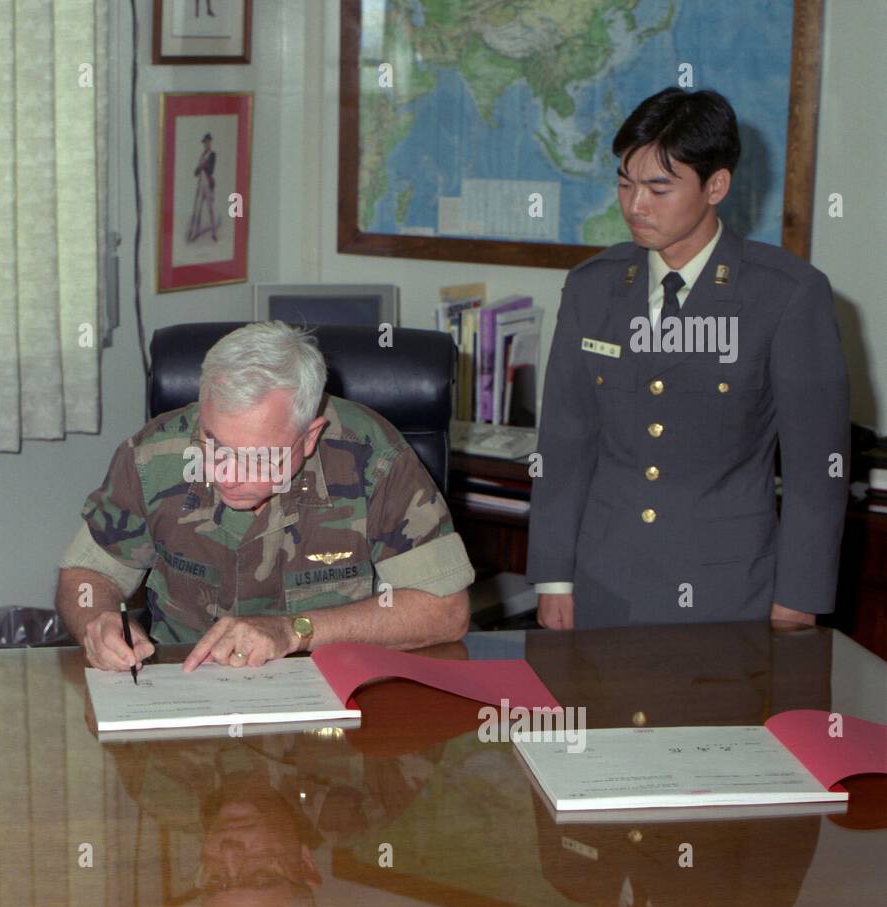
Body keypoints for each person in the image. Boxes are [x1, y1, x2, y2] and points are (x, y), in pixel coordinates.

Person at [527, 88, 849, 630]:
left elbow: (816, 470)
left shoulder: (787, 295)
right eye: (625, 184)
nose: (635, 205)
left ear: (716, 185)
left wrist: (799, 597)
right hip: (602, 582)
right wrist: (554, 577)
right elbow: (564, 444)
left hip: (727, 590)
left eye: (658, 187)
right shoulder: (592, 288)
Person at [56, 321, 474, 672]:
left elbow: (445, 611)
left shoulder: (375, 459)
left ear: (309, 437)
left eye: (256, 459)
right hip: (188, 691)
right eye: (212, 442)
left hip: (331, 693)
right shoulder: (152, 457)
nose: (226, 473)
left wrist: (296, 630)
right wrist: (98, 621)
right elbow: (87, 575)